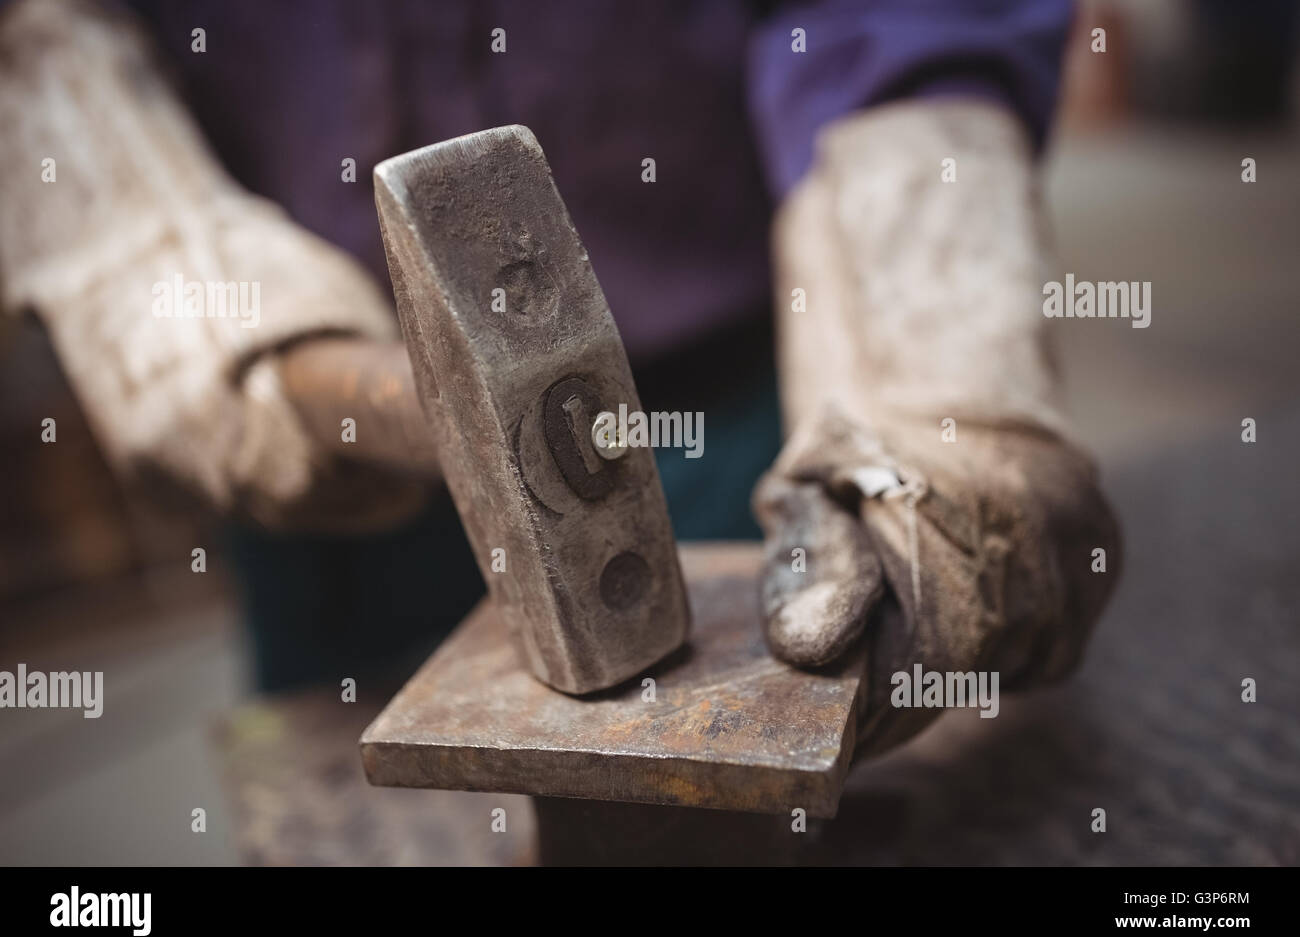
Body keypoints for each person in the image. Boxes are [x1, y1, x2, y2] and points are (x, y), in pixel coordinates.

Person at [0, 0, 1119, 755]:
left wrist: (929, 338)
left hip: (733, 402)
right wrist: (139, 243)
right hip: (307, 458)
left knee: (775, 742)